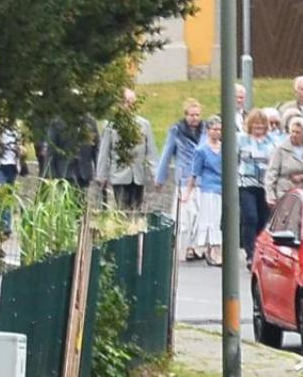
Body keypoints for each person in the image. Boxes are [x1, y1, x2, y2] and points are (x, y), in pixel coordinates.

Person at [156, 98, 206, 259]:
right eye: (191, 115)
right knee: (185, 215)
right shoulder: (176, 130)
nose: (195, 118)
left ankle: (195, 247)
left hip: (202, 179)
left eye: (197, 115)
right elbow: (167, 153)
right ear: (185, 115)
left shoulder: (206, 130)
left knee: (200, 216)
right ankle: (182, 247)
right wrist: (160, 178)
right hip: (184, 178)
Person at [95, 89, 157, 211]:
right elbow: (104, 152)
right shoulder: (111, 126)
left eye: (132, 103)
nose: (129, 106)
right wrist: (101, 175)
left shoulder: (144, 125)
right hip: (119, 176)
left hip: (138, 176)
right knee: (122, 210)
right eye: (126, 102)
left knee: (136, 210)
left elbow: (151, 152)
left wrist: (156, 175)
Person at [182, 116, 224, 266]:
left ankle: (214, 249)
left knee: (219, 220)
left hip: (222, 189)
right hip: (209, 189)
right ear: (208, 131)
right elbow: (195, 173)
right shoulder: (201, 150)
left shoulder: (224, 148)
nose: (217, 132)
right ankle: (213, 249)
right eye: (214, 129)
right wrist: (187, 191)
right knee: (210, 219)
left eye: (220, 130)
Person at [238, 110, 275, 264]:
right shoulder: (241, 140)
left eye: (261, 127)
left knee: (263, 220)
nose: (258, 130)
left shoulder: (272, 141)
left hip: (265, 185)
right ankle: (250, 253)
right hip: (246, 184)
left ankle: (261, 251)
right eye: (255, 127)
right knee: (250, 217)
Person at [265, 117, 303, 206]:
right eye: (292, 131)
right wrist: (270, 197)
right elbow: (271, 174)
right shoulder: (281, 149)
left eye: (298, 132)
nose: (294, 135)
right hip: (283, 194)